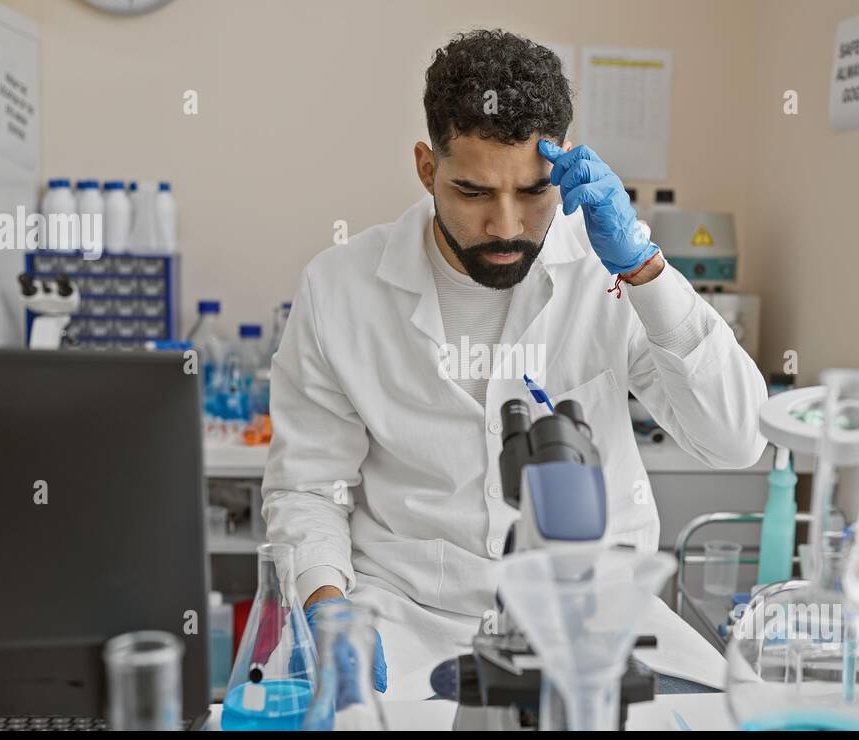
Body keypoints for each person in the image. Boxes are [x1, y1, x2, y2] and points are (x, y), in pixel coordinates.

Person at [262, 29, 768, 699]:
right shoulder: (340, 289)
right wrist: (327, 608)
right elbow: (307, 484)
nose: (506, 225)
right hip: (407, 623)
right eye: (472, 192)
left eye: (533, 193)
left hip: (594, 622)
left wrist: (646, 267)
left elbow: (736, 439)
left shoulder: (605, 267)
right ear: (425, 168)